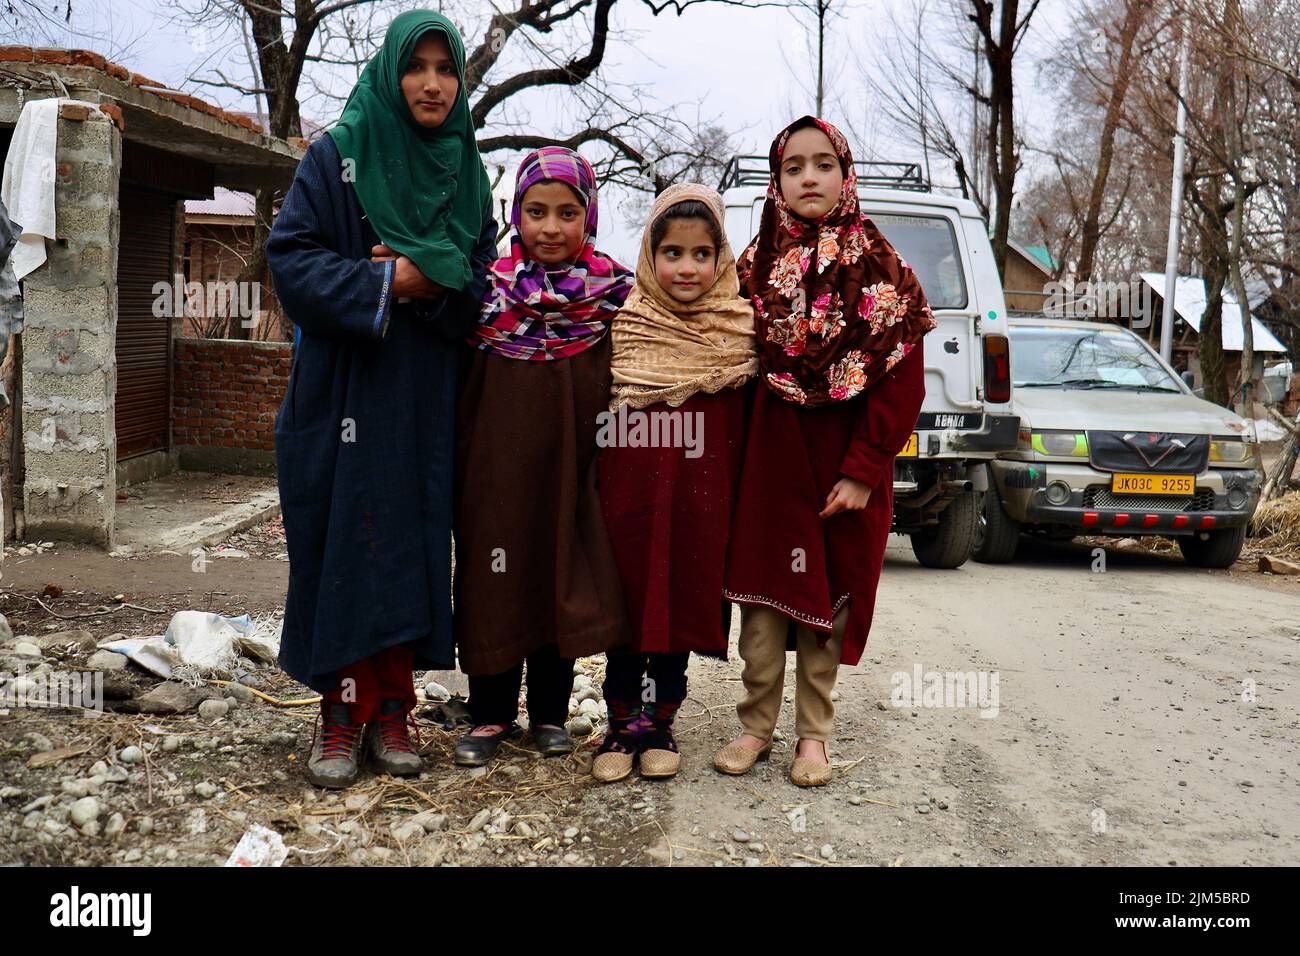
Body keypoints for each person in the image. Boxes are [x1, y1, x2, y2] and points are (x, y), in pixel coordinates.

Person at [267, 10, 497, 789]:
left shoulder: (464, 171)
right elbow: (290, 262)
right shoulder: (337, 156)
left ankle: (393, 709)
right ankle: (338, 716)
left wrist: (434, 282)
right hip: (341, 393)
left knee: (408, 548)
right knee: (341, 546)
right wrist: (387, 279)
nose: (432, 84)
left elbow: (479, 285)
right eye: (417, 67)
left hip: (423, 399)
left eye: (446, 69)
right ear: (390, 73)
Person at [714, 116, 935, 787]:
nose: (808, 177)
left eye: (822, 164)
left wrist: (865, 471)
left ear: (846, 174)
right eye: (793, 167)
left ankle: (814, 736)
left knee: (828, 605)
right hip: (768, 464)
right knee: (761, 603)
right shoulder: (750, 269)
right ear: (776, 180)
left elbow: (904, 384)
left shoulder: (884, 271)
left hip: (844, 470)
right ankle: (756, 725)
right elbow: (723, 363)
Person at [453, 147, 634, 766]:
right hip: (495, 469)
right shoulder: (488, 292)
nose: (550, 228)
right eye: (535, 211)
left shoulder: (616, 296)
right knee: (494, 579)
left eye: (566, 213)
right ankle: (488, 716)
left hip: (575, 468)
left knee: (561, 575)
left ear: (590, 217)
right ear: (516, 214)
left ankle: (550, 716)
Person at [592, 183, 757, 783]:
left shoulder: (739, 330)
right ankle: (618, 726)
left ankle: (659, 724)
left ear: (721, 259)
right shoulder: (628, 325)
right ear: (648, 255)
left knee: (679, 602)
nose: (686, 267)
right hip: (630, 498)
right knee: (630, 605)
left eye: (701, 254)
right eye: (672, 253)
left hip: (700, 499)